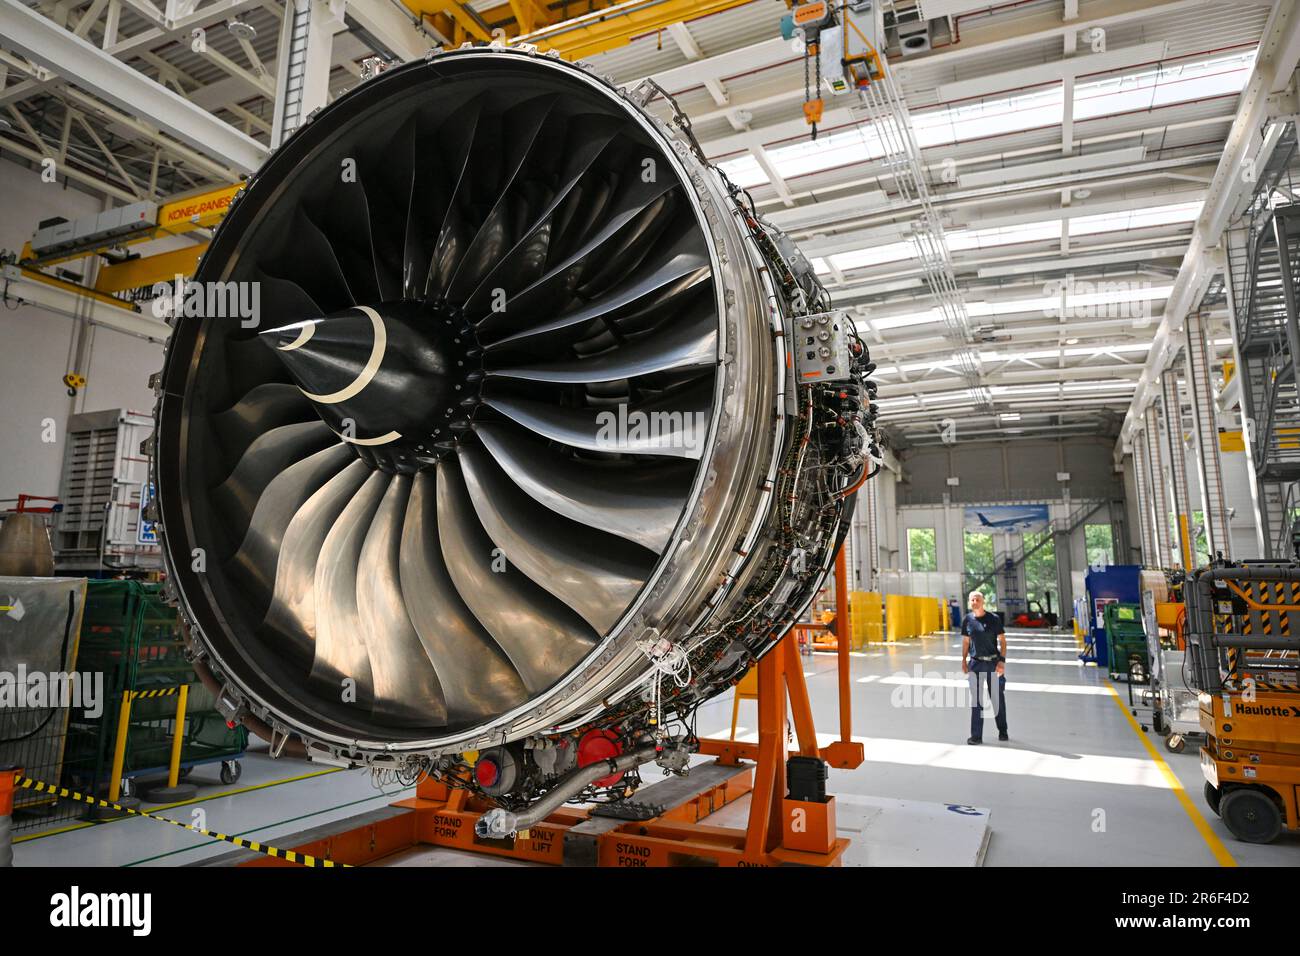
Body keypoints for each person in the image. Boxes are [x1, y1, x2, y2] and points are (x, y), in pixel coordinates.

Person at [961, 590, 1008, 744]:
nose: (974, 602)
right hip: (975, 664)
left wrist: (1001, 661)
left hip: (993, 664)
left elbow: (1002, 641)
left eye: (977, 599)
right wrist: (963, 659)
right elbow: (966, 642)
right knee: (976, 701)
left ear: (983, 601)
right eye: (972, 600)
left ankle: (1002, 730)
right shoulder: (967, 620)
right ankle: (976, 736)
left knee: (997, 699)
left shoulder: (994, 619)